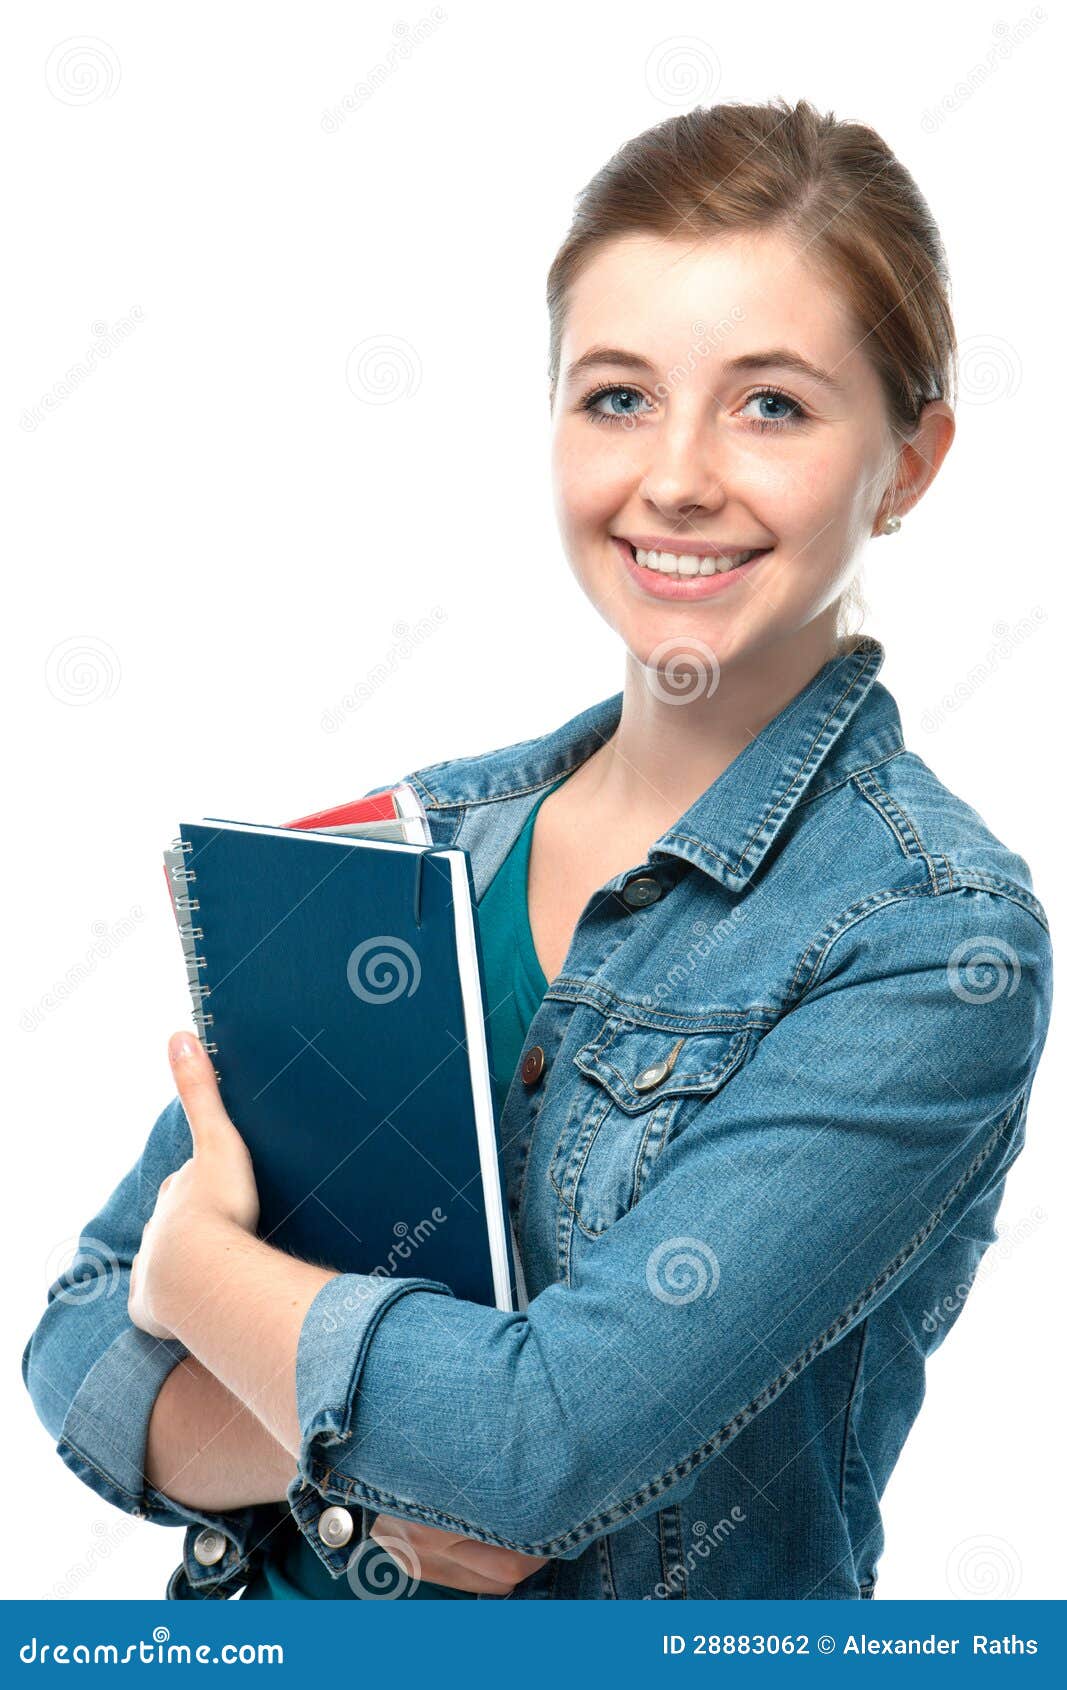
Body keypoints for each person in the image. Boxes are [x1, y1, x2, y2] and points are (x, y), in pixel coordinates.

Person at [24, 98, 1053, 1602]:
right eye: (618, 395)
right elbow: (77, 1336)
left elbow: (539, 1445)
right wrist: (356, 1441)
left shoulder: (928, 941)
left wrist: (210, 1282)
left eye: (771, 404)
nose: (679, 475)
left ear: (908, 460)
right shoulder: (414, 837)